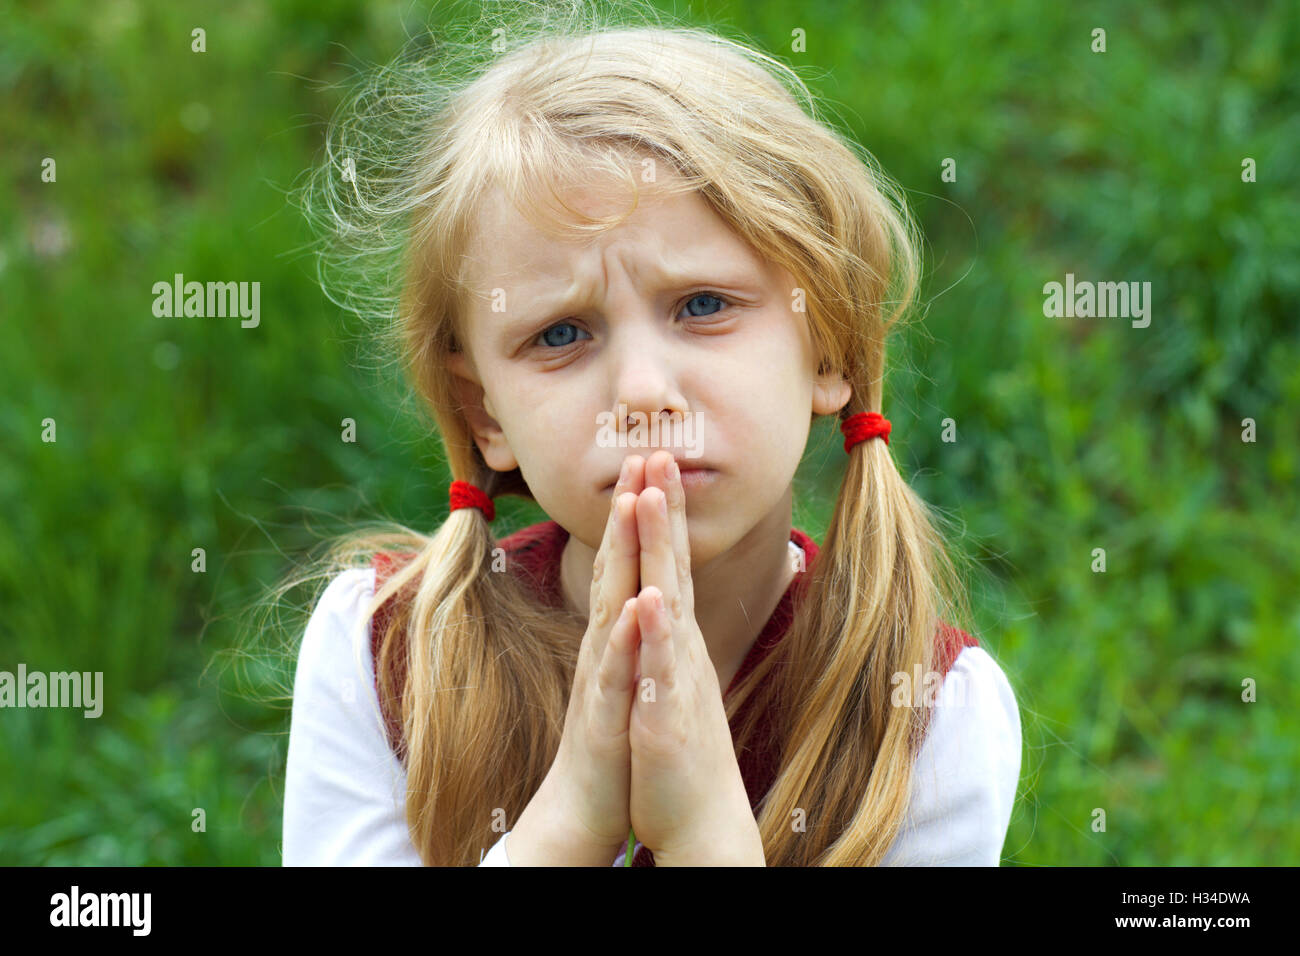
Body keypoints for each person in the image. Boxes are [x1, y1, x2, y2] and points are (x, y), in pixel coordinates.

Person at [279, 6, 1020, 867]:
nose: (639, 391)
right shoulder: (385, 658)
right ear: (485, 412)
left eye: (703, 305)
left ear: (830, 343)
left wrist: (705, 835)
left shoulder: (928, 717)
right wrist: (567, 826)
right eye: (560, 335)